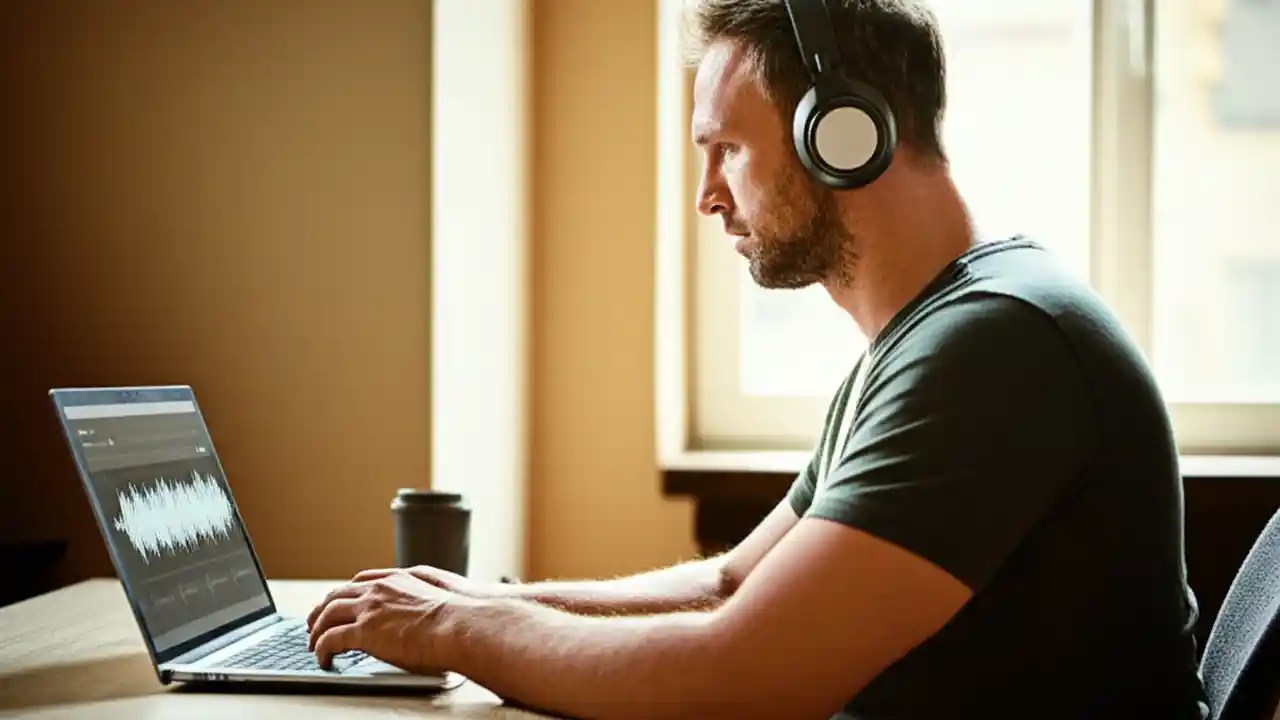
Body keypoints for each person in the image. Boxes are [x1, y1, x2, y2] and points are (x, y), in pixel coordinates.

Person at [306, 1, 1208, 717]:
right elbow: (732, 582)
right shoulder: (943, 329)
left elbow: (745, 676)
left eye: (727, 150)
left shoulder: (997, 349)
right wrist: (487, 604)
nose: (706, 197)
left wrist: (467, 634)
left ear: (844, 135)